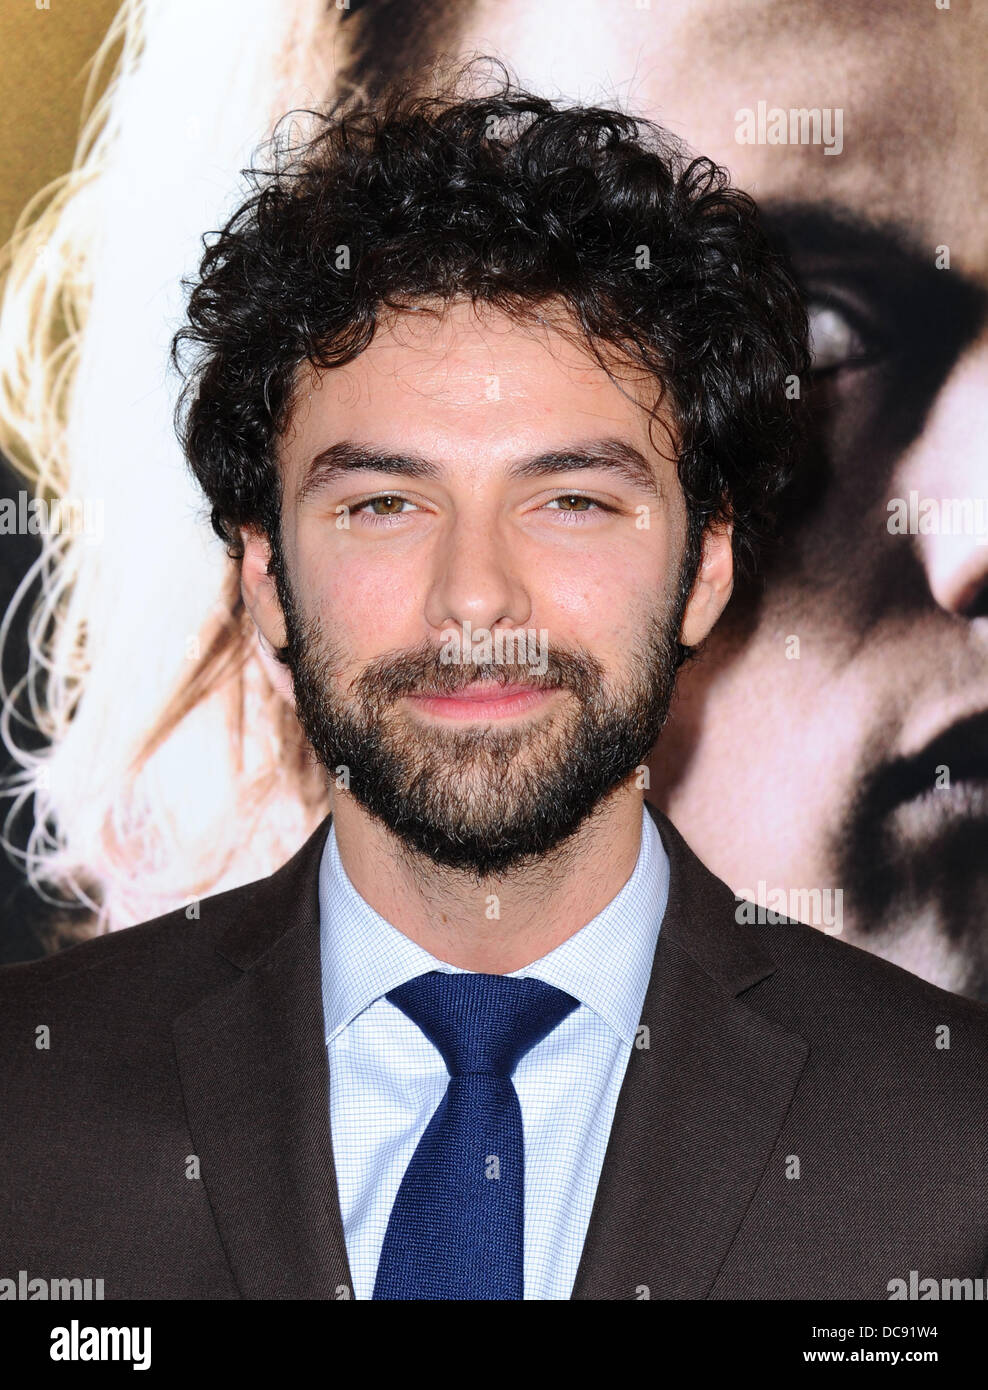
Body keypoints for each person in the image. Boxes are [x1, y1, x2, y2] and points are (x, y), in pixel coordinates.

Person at [2, 74, 987, 1302]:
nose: (476, 597)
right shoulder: (21, 1116)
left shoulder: (956, 1153)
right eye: (384, 504)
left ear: (704, 568)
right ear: (262, 576)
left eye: (571, 500)